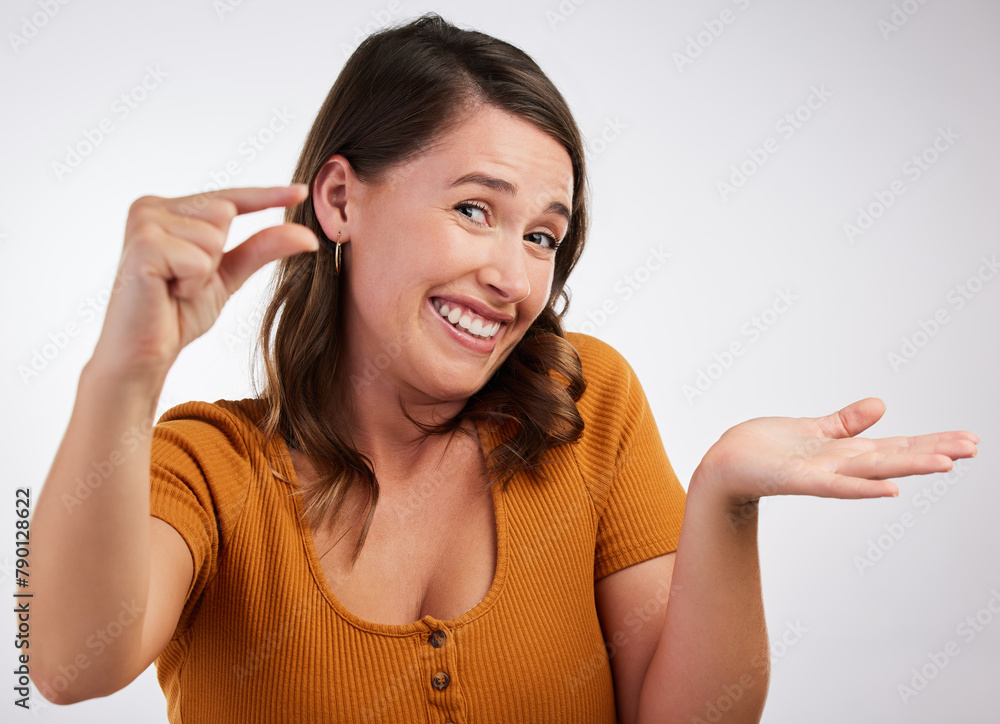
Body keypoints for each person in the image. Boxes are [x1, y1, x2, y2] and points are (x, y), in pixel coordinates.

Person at [28, 13, 978, 724]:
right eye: (475, 210)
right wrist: (125, 372)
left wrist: (724, 496)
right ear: (341, 199)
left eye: (542, 236)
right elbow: (66, 665)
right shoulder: (207, 464)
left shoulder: (583, 405)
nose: (512, 275)